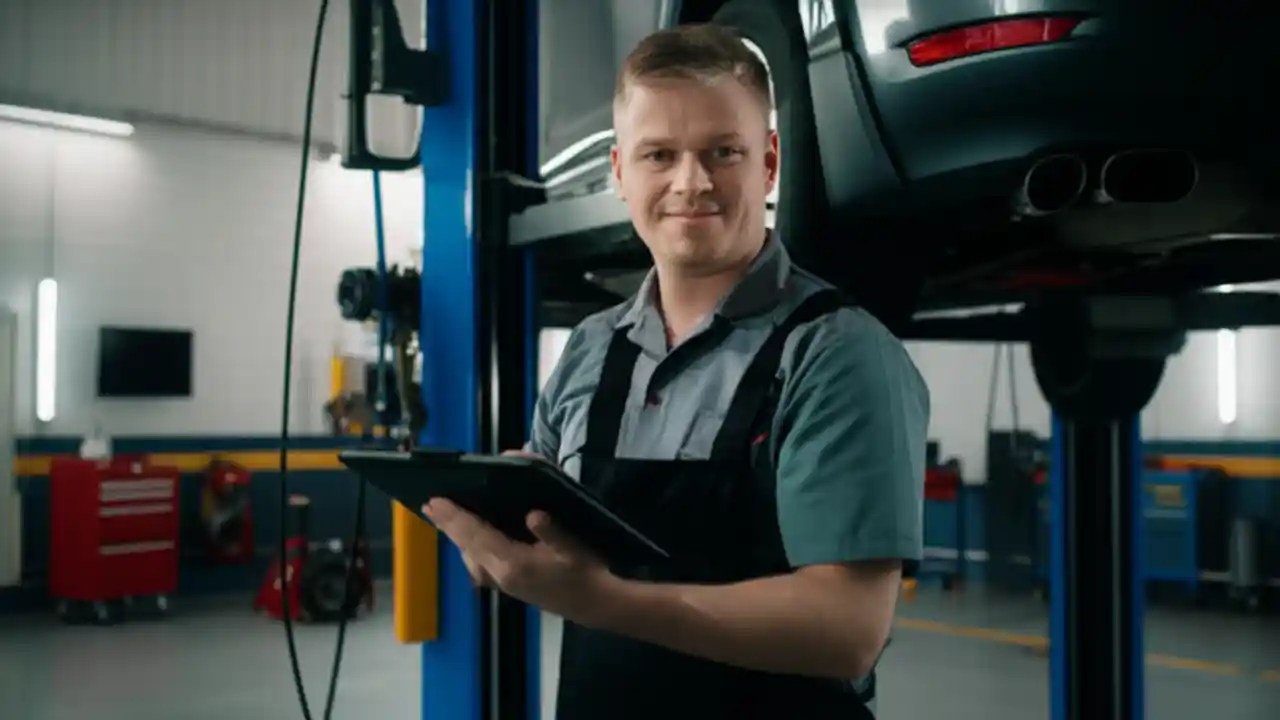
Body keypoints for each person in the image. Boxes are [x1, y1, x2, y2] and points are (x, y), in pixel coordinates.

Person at [422, 22, 929, 720]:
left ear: (770, 163)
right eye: (659, 154)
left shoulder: (836, 354)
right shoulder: (588, 350)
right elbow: (554, 549)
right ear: (620, 170)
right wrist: (506, 530)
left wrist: (604, 601)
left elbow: (848, 629)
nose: (691, 183)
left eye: (723, 151)